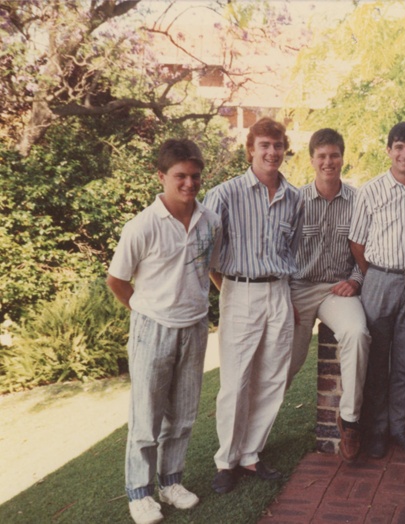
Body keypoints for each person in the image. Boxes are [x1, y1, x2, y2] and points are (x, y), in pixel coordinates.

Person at [107, 139, 221, 524]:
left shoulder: (210, 221)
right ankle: (139, 494)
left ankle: (171, 482)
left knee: (183, 415)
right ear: (162, 176)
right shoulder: (142, 226)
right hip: (152, 330)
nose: (189, 183)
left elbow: (211, 268)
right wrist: (145, 311)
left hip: (194, 327)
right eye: (180, 176)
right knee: (146, 418)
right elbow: (116, 280)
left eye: (195, 176)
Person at [203, 117, 304, 494]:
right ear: (251, 150)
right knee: (235, 380)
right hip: (240, 291)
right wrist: (231, 290)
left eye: (277, 146)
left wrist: (287, 296)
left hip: (279, 292)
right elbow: (208, 256)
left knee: (272, 377)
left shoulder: (294, 198)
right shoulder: (224, 194)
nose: (272, 152)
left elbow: (292, 252)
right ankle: (226, 460)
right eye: (264, 145)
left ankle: (250, 453)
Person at [348, 122, 405, 458]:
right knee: (376, 361)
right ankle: (377, 429)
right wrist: (375, 275)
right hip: (379, 281)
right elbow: (357, 242)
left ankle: (399, 426)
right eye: (398, 147)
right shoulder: (370, 191)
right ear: (388, 150)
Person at [286, 128, 371, 462]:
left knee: (357, 334)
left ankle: (349, 421)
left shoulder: (358, 201)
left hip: (338, 289)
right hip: (300, 289)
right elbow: (280, 251)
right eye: (321, 156)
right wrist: (285, 296)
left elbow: (366, 249)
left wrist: (356, 280)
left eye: (334, 155)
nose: (328, 162)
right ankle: (252, 438)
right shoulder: (295, 201)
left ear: (342, 158)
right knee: (286, 362)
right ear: (311, 160)